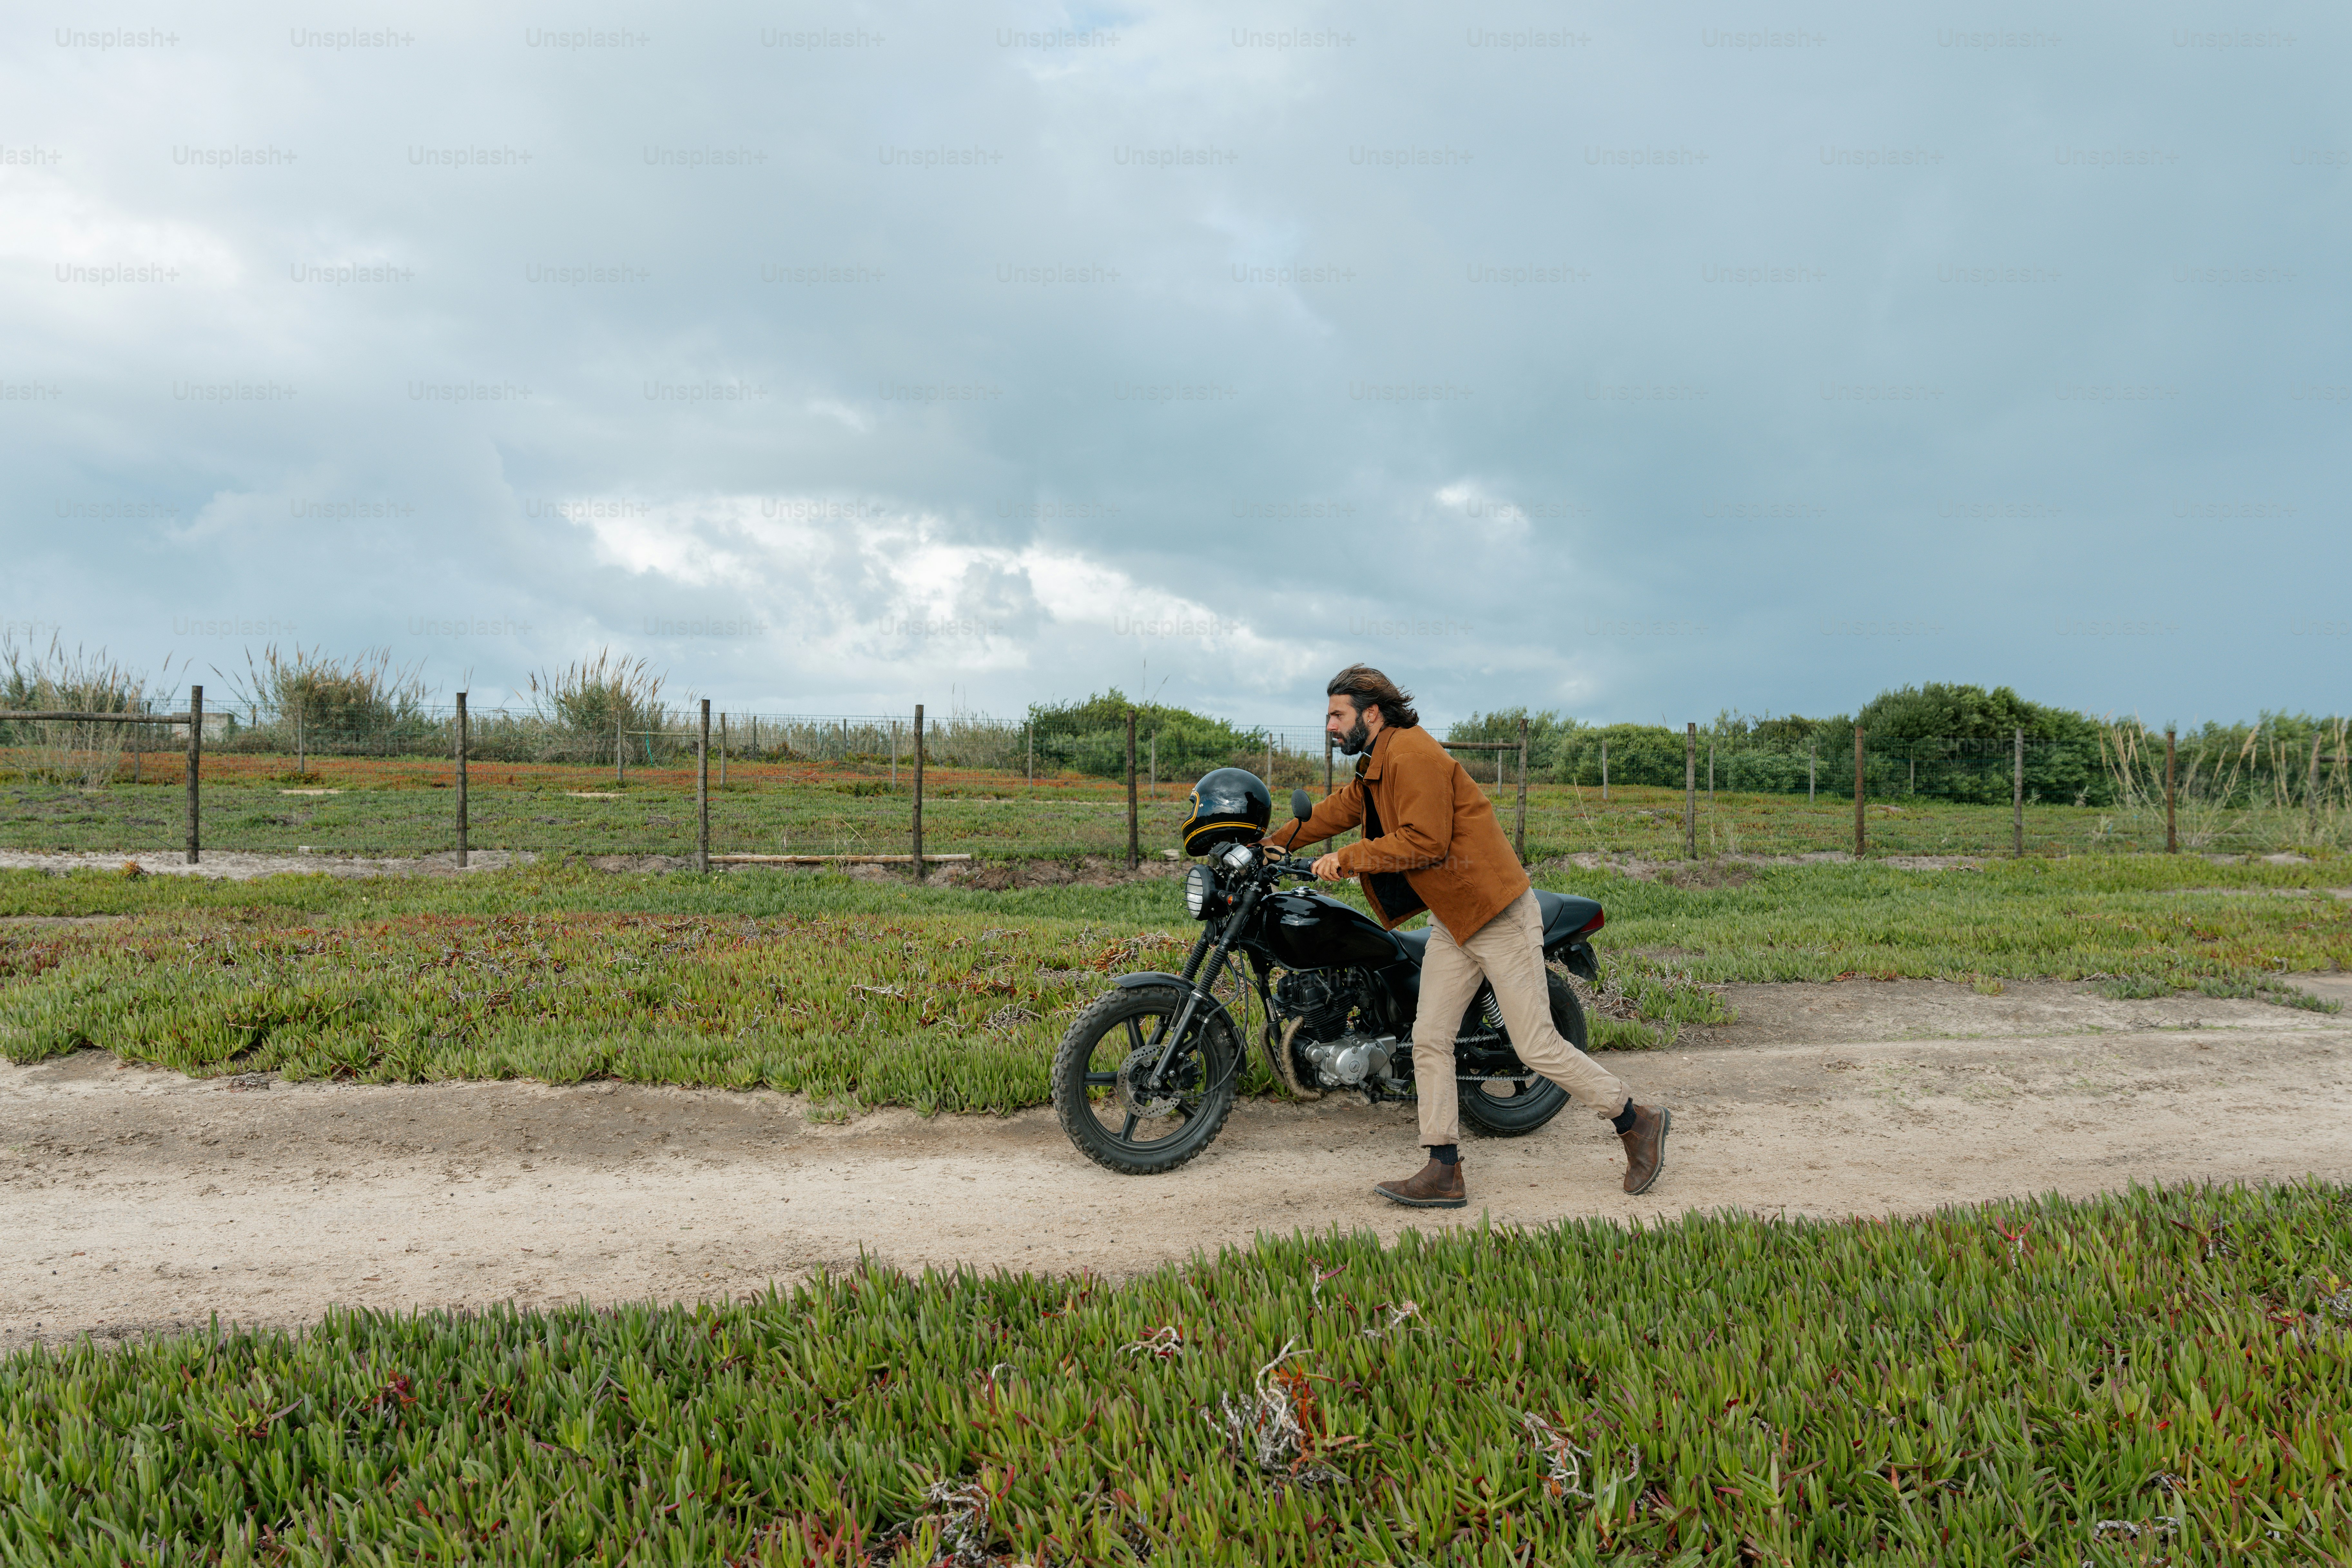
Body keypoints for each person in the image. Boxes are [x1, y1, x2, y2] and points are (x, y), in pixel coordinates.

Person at [1263, 664, 1670, 1208]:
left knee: (1535, 1045)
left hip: (1495, 914)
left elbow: (1425, 840)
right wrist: (1274, 842)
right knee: (1429, 1038)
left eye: (1337, 714)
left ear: (1372, 713)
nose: (1331, 726)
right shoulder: (1379, 764)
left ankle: (1635, 1119)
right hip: (1453, 920)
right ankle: (1443, 1168)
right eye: (1330, 715)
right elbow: (1343, 809)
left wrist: (1347, 858)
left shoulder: (1412, 754)